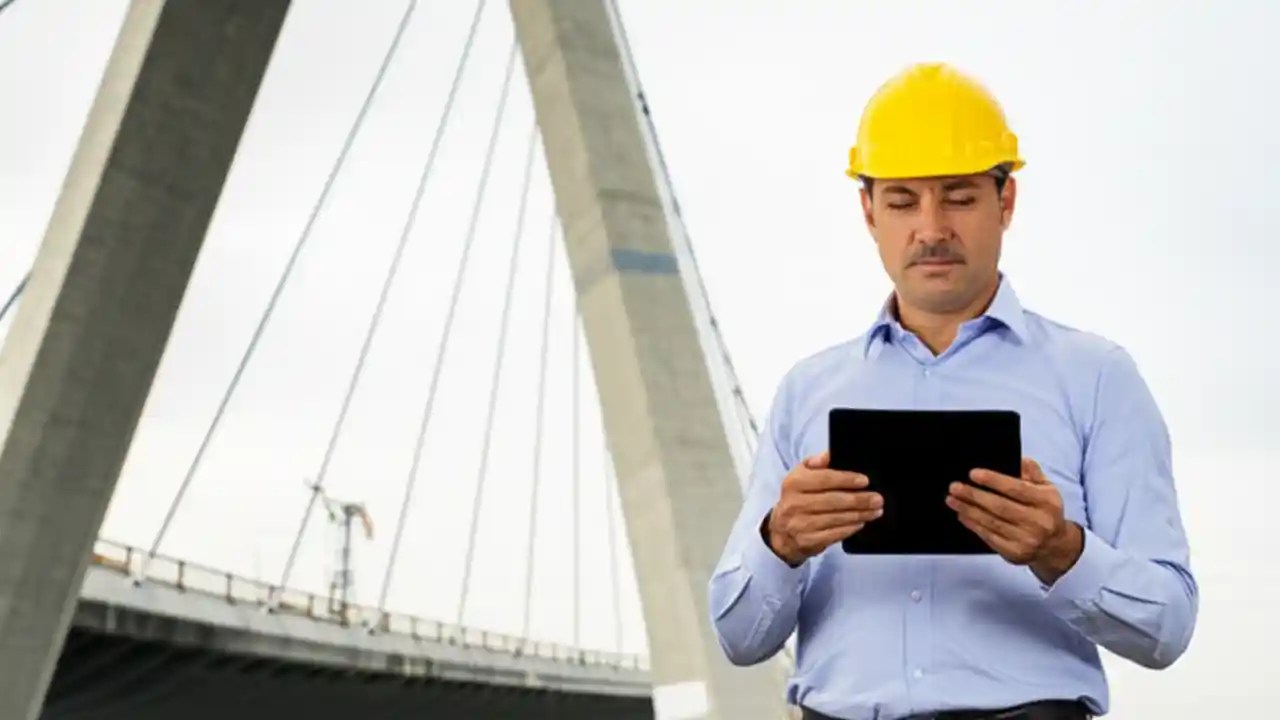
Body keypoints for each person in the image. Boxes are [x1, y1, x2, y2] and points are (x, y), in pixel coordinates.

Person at [707, 62, 1198, 720]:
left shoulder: (1098, 378)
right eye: (903, 200)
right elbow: (739, 639)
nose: (931, 227)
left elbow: (1167, 626)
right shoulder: (806, 391)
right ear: (868, 211)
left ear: (1007, 202)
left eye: (959, 196)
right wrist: (780, 543)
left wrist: (1062, 551)